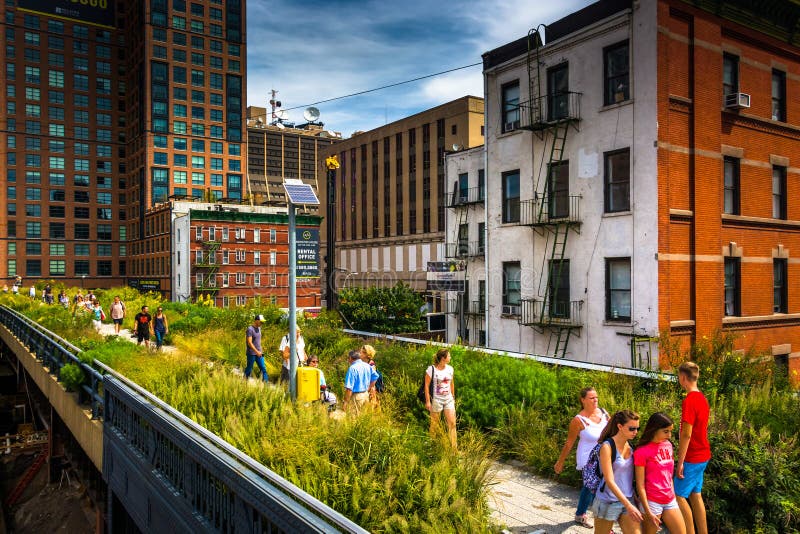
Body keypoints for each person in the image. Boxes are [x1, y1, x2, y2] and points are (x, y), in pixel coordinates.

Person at [554, 387, 610, 528]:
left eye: (596, 397)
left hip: (603, 456)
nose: (595, 400)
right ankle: (584, 516)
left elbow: (613, 432)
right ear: (583, 400)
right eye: (591, 398)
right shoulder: (578, 420)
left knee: (602, 485)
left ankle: (585, 514)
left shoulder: (604, 413)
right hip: (587, 459)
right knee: (590, 486)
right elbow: (569, 443)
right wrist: (560, 462)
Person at [591, 410, 643, 534]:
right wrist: (629, 505)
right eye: (631, 428)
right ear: (620, 426)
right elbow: (609, 480)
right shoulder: (607, 447)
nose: (635, 432)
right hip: (607, 501)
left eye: (637, 428)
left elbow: (627, 477)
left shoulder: (630, 447)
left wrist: (633, 499)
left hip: (628, 499)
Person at [634, 412, 686, 534]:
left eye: (670, 431)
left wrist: (672, 494)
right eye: (666, 431)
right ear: (654, 429)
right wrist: (647, 511)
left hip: (670, 499)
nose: (669, 435)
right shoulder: (641, 451)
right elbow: (640, 485)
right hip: (651, 502)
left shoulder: (668, 445)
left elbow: (668, 474)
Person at [674, 362, 710, 534]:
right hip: (703, 455)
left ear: (683, 378)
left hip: (693, 457)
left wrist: (680, 462)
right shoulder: (702, 398)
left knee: (678, 495)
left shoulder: (689, 401)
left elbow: (686, 434)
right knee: (696, 495)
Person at [424, 348, 457, 449]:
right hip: (436, 400)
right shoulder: (431, 369)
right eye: (449, 356)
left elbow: (452, 383)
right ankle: (431, 446)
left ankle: (454, 449)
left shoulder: (450, 369)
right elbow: (426, 385)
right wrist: (428, 402)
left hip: (448, 399)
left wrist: (453, 397)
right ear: (443, 358)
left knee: (452, 424)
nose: (450, 357)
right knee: (434, 424)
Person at [343, 350, 378, 414]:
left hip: (356, 397)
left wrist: (345, 402)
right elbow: (375, 377)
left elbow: (349, 388)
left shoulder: (352, 368)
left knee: (353, 419)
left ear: (350, 358)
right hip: (365, 395)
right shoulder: (367, 365)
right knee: (363, 417)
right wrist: (369, 388)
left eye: (348, 358)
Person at [244, 315, 269, 383]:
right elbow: (249, 342)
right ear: (256, 321)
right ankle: (244, 383)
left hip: (259, 352)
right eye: (261, 322)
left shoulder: (259, 328)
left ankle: (266, 385)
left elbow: (258, 340)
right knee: (249, 369)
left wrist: (260, 349)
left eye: (263, 322)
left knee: (263, 368)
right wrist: (256, 351)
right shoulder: (250, 329)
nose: (262, 323)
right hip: (251, 353)